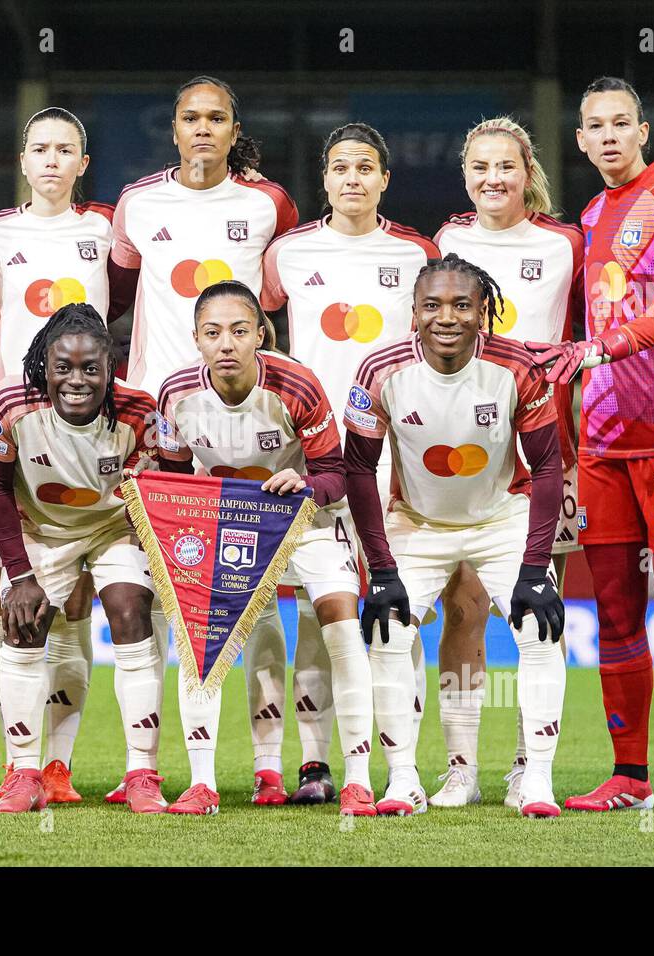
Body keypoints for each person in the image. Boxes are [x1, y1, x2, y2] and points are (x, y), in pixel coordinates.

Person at [526, 77, 654, 815]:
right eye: (594, 127)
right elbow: (576, 330)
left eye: (621, 123)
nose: (608, 136)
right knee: (612, 610)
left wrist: (598, 352)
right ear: (579, 141)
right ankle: (631, 774)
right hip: (605, 441)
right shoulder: (586, 216)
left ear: (644, 131)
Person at [111, 74, 299, 805]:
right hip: (160, 428)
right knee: (165, 602)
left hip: (245, 424)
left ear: (232, 128)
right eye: (190, 117)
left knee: (254, 596)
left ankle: (270, 764)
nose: (201, 129)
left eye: (216, 118)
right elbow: (119, 297)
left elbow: (279, 301)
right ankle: (150, 766)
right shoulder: (137, 203)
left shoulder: (267, 203)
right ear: (175, 128)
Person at [345, 254, 567, 817]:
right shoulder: (379, 371)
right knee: (386, 632)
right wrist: (383, 570)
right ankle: (403, 781)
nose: (447, 317)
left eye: (463, 305)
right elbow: (356, 473)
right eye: (432, 305)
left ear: (483, 313)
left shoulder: (519, 368)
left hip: (501, 520)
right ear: (413, 313)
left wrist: (536, 570)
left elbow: (547, 469)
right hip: (417, 525)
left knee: (540, 628)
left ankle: (535, 778)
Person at [260, 121, 440, 804]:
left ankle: (404, 768)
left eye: (366, 167)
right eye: (340, 168)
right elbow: (261, 330)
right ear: (325, 178)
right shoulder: (288, 254)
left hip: (398, 455)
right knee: (316, 608)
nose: (353, 179)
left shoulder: (417, 252)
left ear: (385, 179)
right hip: (311, 454)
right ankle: (313, 764)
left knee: (400, 609)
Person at [156, 279, 376, 817]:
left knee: (341, 627)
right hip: (232, 524)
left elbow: (334, 473)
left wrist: (303, 487)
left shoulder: (297, 385)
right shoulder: (176, 395)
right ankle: (209, 781)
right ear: (196, 339)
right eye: (213, 333)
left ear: (260, 334)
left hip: (308, 516)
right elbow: (175, 478)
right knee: (199, 636)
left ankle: (359, 779)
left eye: (238, 331)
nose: (225, 343)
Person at [0, 108, 120, 805]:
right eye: (40, 149)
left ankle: (58, 765)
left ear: (83, 163)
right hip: (12, 438)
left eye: (66, 150)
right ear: (22, 159)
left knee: (77, 606)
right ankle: (19, 760)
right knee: (18, 607)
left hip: (89, 441)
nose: (53, 160)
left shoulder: (107, 232)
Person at [0, 303, 165, 814]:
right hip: (41, 528)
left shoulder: (141, 413)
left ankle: (142, 772)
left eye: (91, 369)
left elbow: (175, 472)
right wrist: (20, 574)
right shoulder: (11, 407)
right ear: (44, 366)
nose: (76, 380)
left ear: (111, 369)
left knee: (131, 612)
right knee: (23, 624)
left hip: (111, 527)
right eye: (63, 367)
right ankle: (22, 772)